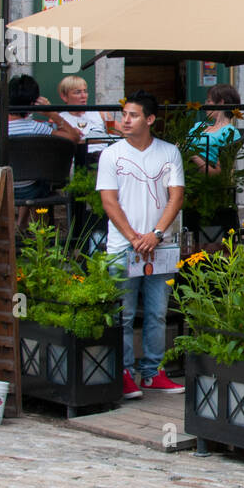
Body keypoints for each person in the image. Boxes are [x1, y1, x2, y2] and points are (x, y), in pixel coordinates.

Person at [96, 91, 186, 398]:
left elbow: (176, 195)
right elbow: (109, 201)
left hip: (159, 246)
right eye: (124, 115)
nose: (125, 120)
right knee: (122, 313)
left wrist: (156, 234)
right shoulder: (111, 155)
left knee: (158, 312)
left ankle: (152, 372)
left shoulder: (169, 152)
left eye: (133, 115)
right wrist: (135, 237)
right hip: (124, 246)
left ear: (150, 119)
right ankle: (122, 372)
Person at [0, 74, 82, 202]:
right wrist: (51, 113)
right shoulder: (34, 128)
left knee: (29, 172)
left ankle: (22, 220)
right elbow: (74, 137)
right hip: (29, 190)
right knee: (37, 176)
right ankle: (29, 221)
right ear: (33, 103)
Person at [187, 83, 243, 175]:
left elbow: (219, 174)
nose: (205, 105)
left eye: (209, 101)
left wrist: (193, 155)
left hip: (201, 180)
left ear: (221, 103)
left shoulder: (229, 132)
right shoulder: (199, 125)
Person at [57, 75, 117, 155]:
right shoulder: (59, 118)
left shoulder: (101, 113)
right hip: (75, 159)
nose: (83, 96)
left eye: (85, 91)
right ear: (64, 97)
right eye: (77, 92)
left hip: (102, 157)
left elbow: (118, 134)